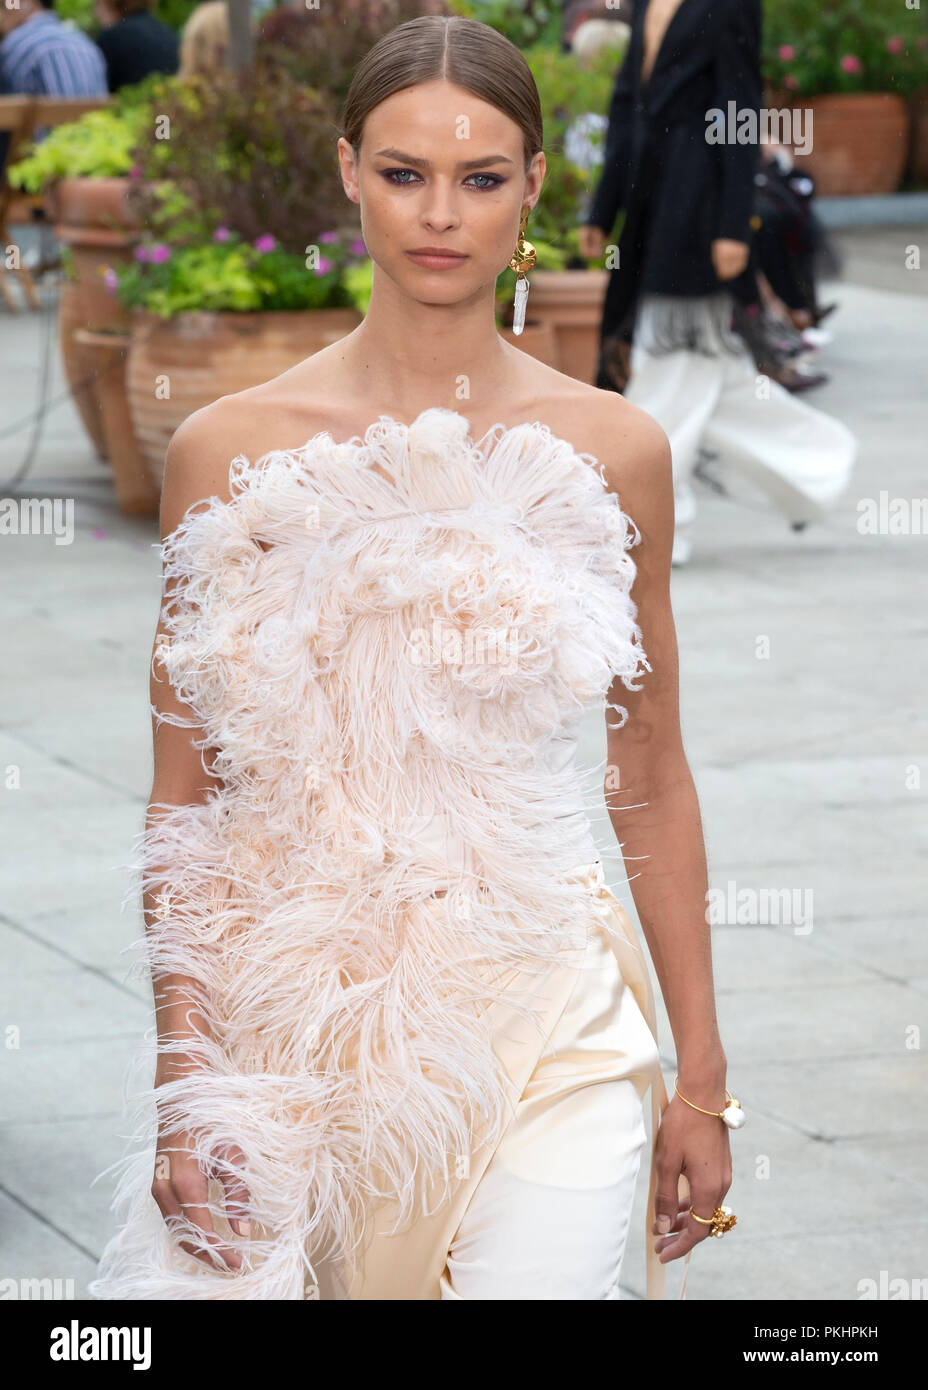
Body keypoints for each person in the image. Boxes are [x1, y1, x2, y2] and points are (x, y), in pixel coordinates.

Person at [89, 14, 741, 1302]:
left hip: (548, 1008)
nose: (441, 213)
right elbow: (184, 795)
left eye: (481, 177)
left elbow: (650, 774)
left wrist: (705, 1082)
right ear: (348, 172)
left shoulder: (615, 452)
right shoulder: (229, 450)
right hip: (294, 1029)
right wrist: (186, 1069)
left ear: (535, 186)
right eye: (404, 174)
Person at [580, 0, 856, 566]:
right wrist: (602, 209)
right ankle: (820, 464)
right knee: (713, 380)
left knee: (669, 375)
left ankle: (654, 529)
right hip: (647, 211)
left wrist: (734, 226)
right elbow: (627, 106)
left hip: (699, 212)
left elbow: (741, 108)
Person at [0, 0, 107, 98]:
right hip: (93, 117)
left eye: (5, 6)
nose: (2, 14)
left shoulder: (15, 44)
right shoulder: (85, 43)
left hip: (47, 119)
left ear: (26, 3)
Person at [93, 0, 179, 94]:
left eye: (97, 3)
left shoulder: (111, 38)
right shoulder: (168, 33)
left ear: (109, 3)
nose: (95, 14)